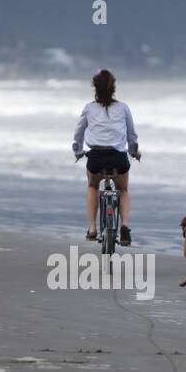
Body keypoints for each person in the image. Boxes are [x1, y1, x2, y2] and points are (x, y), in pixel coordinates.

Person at [72, 69, 140, 245]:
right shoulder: (123, 107)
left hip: (96, 159)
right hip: (118, 158)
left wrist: (78, 151)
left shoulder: (89, 108)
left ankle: (93, 227)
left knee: (93, 185)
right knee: (123, 189)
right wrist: (134, 152)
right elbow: (132, 136)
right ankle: (124, 226)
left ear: (95, 87)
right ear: (113, 88)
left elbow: (78, 134)